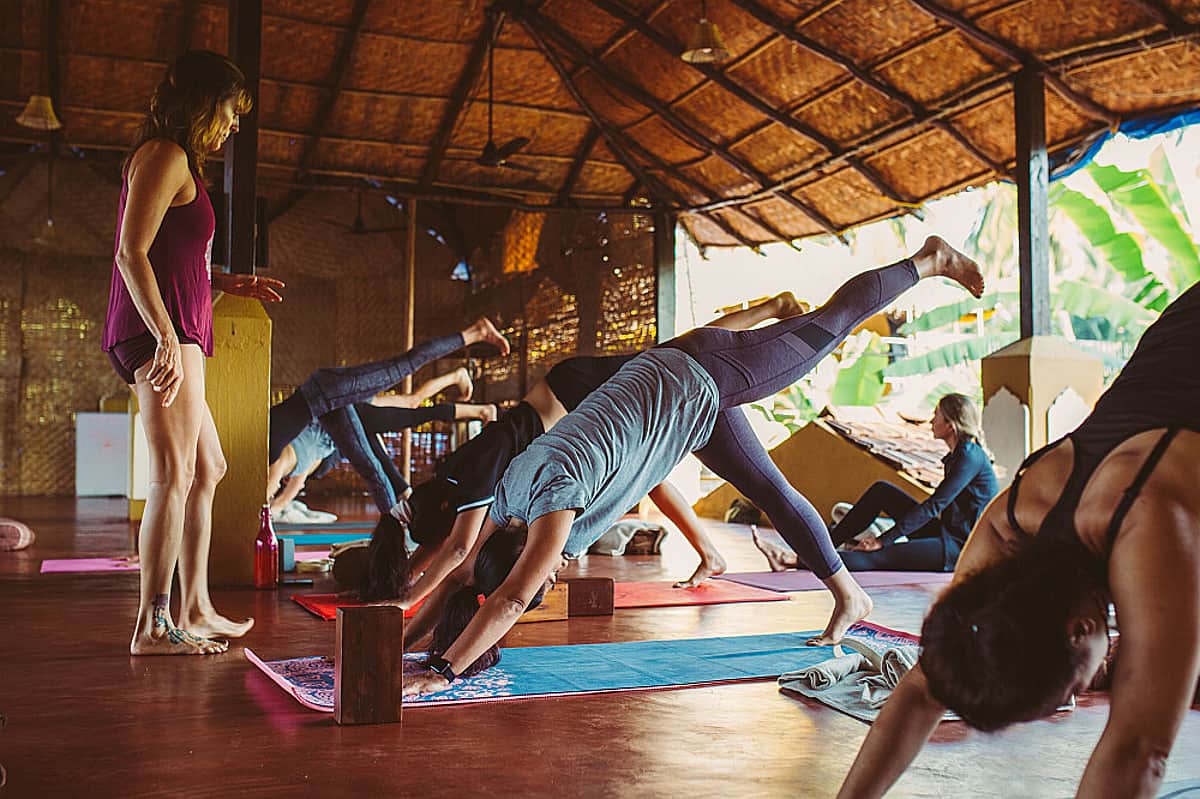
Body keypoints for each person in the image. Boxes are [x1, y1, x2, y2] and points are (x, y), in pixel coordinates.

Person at [401, 236, 985, 694]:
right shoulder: (505, 502)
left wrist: (444, 674)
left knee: (829, 326)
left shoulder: (553, 500)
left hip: (701, 372)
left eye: (543, 577)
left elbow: (505, 599)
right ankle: (850, 596)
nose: (552, 577)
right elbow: (462, 578)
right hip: (684, 406)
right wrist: (397, 639)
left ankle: (926, 260)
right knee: (772, 491)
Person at [837, 281, 1200, 799]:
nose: (1094, 682)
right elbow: (923, 688)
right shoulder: (1013, 519)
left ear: (1080, 629)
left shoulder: (1149, 522)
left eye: (1077, 685)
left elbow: (1139, 750)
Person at [352, 292, 807, 602]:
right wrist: (400, 580)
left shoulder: (473, 478)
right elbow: (442, 542)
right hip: (563, 408)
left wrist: (404, 602)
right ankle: (710, 553)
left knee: (685, 352)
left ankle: (773, 308)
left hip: (573, 393)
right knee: (651, 476)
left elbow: (456, 550)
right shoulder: (445, 483)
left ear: (448, 509)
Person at [104, 51, 283, 655]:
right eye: (233, 110)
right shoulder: (164, 155)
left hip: (178, 326)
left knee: (209, 468)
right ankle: (153, 625)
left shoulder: (179, 164)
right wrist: (161, 336)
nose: (236, 124)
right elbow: (132, 253)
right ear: (206, 103)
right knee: (172, 475)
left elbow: (170, 257)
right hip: (163, 334)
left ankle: (197, 606)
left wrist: (222, 285)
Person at [265, 321, 509, 520]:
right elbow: (291, 483)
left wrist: (268, 501)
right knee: (371, 467)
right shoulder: (302, 463)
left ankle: (475, 332)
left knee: (403, 369)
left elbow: (278, 473)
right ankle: (395, 531)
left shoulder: (276, 456)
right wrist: (271, 504)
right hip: (330, 410)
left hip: (325, 389)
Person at [753, 393, 997, 572]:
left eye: (937, 416)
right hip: (947, 532)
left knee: (879, 556)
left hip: (960, 547)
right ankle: (824, 547)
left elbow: (935, 505)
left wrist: (883, 539)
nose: (932, 420)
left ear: (950, 425)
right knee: (882, 491)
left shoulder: (969, 456)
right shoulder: (959, 454)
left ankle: (792, 560)